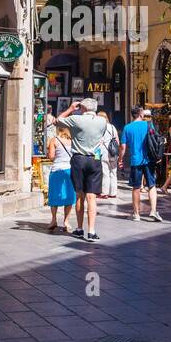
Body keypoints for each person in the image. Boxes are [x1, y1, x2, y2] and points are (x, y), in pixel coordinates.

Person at [58, 98, 110, 241]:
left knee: (80, 194)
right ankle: (91, 231)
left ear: (83, 108)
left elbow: (57, 121)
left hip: (79, 159)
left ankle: (80, 228)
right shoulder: (102, 121)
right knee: (91, 197)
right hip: (95, 159)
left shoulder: (76, 119)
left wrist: (70, 108)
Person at [119, 106, 162, 222]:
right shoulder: (148, 125)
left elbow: (123, 147)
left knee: (136, 187)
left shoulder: (127, 128)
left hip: (135, 160)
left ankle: (136, 214)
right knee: (151, 185)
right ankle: (153, 211)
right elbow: (155, 140)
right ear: (141, 114)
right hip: (149, 160)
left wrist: (120, 159)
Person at [46, 120, 76, 233]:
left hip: (57, 170)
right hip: (69, 170)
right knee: (69, 195)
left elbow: (52, 157)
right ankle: (66, 221)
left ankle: (53, 220)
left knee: (54, 195)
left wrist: (49, 150)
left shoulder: (54, 140)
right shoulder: (73, 141)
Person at [96, 110, 118, 200]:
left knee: (105, 172)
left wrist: (96, 157)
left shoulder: (98, 128)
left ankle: (104, 192)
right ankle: (113, 192)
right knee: (113, 172)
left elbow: (96, 143)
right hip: (113, 152)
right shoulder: (112, 127)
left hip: (103, 152)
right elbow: (117, 141)